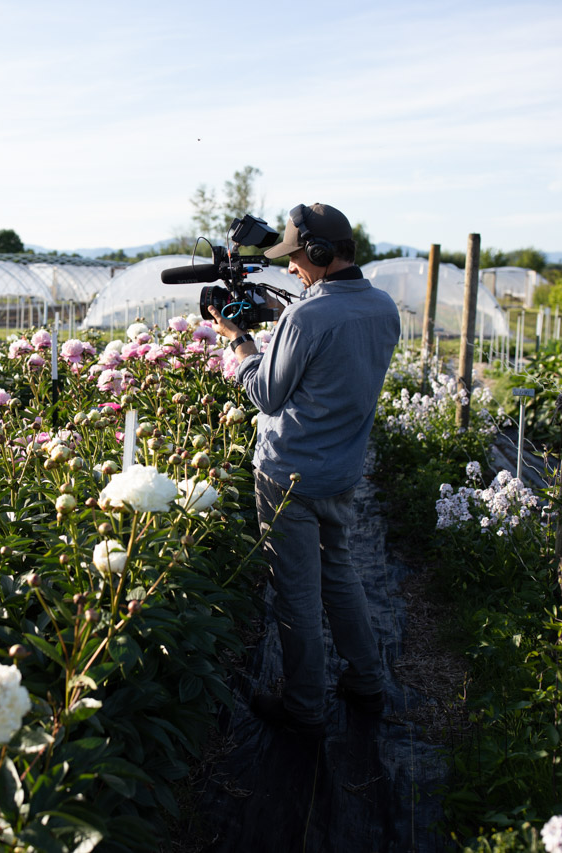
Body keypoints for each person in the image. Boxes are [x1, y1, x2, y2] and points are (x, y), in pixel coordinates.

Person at [207, 202, 401, 738]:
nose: (290, 266)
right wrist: (283, 317)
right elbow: (332, 362)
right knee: (339, 574)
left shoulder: (307, 316)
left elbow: (267, 395)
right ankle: (366, 681)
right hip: (340, 469)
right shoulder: (383, 308)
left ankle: (304, 706)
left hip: (287, 472)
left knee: (295, 592)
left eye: (294, 256)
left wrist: (240, 343)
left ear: (317, 252)